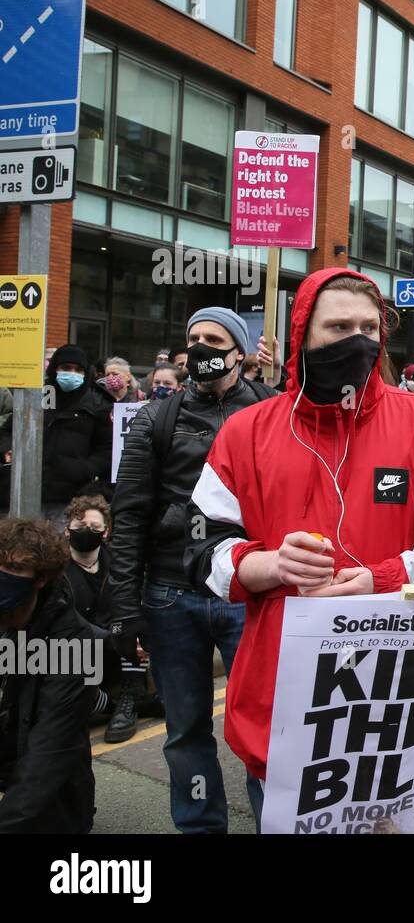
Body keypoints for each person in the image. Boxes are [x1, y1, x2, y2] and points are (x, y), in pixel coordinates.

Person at [185, 270, 414, 821]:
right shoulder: (246, 432)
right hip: (286, 699)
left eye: (370, 327)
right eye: (339, 327)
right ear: (303, 334)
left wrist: (389, 575)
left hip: (400, 705)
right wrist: (267, 564)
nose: (358, 340)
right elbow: (201, 548)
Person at [108, 307, 276, 833]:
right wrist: (124, 607)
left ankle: (278, 821)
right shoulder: (156, 417)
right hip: (170, 595)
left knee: (264, 729)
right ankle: (200, 827)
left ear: (240, 351)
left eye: (214, 338)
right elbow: (130, 512)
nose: (201, 347)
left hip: (247, 594)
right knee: (184, 730)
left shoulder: (272, 412)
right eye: (193, 338)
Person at [0, 517, 95, 833]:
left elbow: (49, 752)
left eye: (15, 570)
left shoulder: (74, 644)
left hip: (46, 805)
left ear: (40, 579)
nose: (4, 577)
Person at [61, 494, 158, 741]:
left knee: (136, 623)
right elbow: (65, 620)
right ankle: (115, 704)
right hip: (72, 651)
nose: (87, 532)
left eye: (94, 527)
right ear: (66, 531)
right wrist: (110, 639)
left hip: (115, 649)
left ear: (106, 532)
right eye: (80, 527)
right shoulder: (56, 569)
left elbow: (131, 605)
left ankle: (130, 694)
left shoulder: (117, 564)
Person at [41, 345, 114, 523]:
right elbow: (10, 429)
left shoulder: (97, 403)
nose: (72, 373)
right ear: (54, 369)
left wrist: (86, 469)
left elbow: (106, 447)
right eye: (66, 368)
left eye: (78, 370)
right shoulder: (38, 396)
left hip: (72, 495)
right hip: (33, 489)